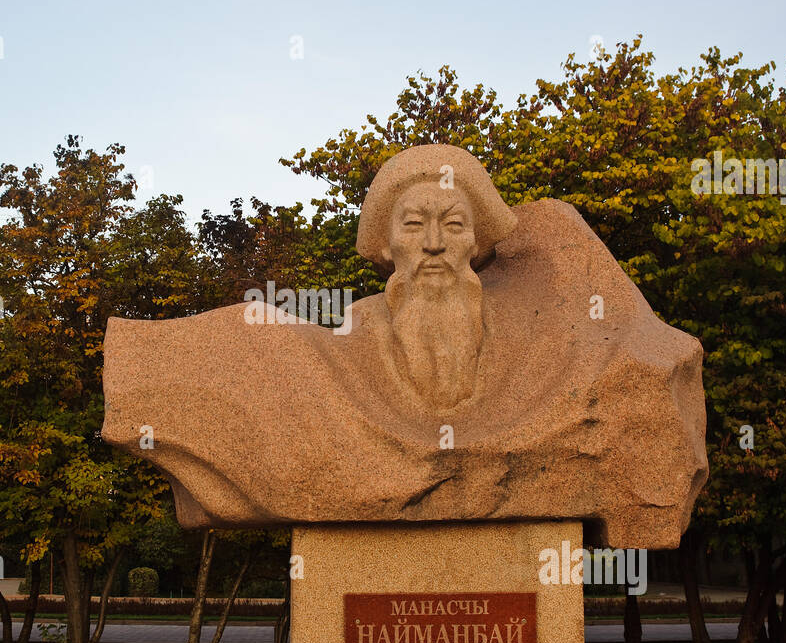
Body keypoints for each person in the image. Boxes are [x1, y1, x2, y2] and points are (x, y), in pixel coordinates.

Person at [101, 144, 707, 548]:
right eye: (414, 226)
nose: (435, 245)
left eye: (453, 225)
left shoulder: (545, 341)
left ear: (476, 243)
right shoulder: (330, 346)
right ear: (388, 245)